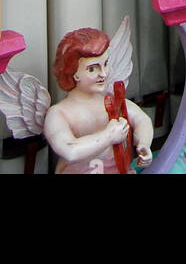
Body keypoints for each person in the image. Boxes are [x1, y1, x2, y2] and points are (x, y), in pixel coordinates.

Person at [44, 25, 154, 174]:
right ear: (74, 73)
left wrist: (143, 143)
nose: (103, 74)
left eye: (106, 64)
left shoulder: (112, 101)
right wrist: (109, 136)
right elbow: (70, 151)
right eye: (92, 69)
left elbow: (142, 119)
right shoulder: (59, 113)